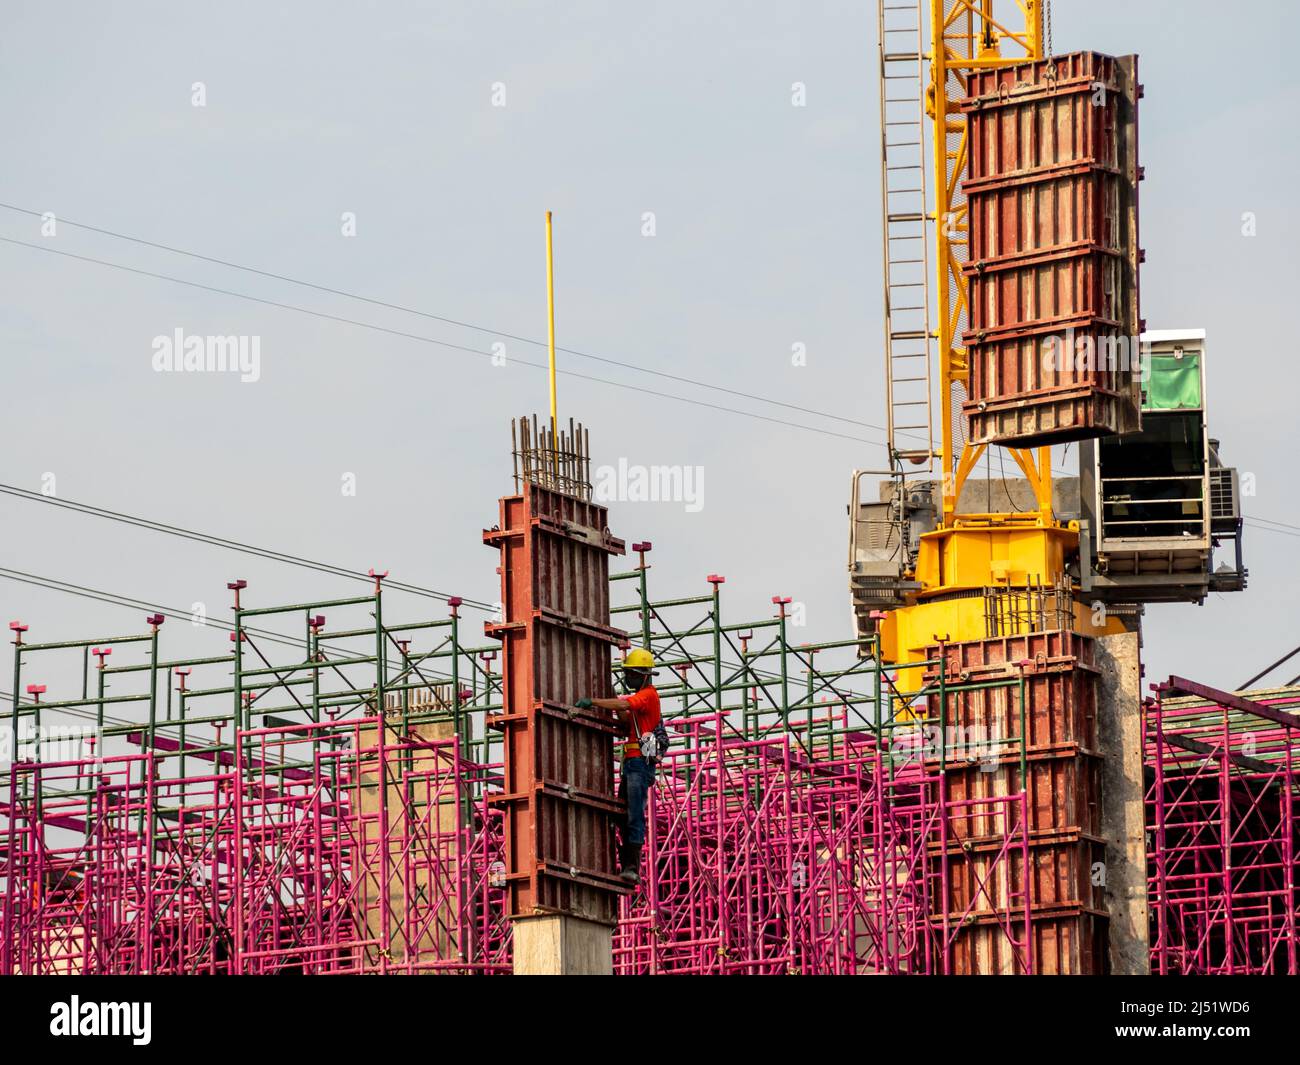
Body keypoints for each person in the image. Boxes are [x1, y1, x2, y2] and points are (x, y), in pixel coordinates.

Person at [575, 648, 660, 885]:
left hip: (639, 765)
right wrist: (610, 697)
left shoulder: (648, 695)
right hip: (632, 763)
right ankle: (627, 860)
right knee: (623, 814)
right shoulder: (641, 700)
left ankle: (632, 865)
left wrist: (594, 702)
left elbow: (625, 707)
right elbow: (624, 720)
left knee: (633, 814)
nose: (628, 679)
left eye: (631, 674)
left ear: (643, 674)